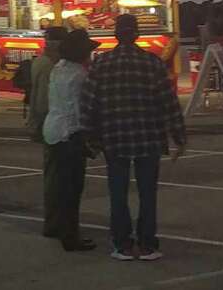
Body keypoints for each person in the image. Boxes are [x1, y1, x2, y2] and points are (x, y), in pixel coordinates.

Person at [81, 13, 185, 262]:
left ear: (116, 35)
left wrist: (89, 136)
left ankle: (122, 244)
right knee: (147, 193)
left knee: (118, 193)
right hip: (148, 136)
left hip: (114, 136)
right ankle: (147, 244)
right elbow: (168, 102)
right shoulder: (152, 63)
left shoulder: (101, 63)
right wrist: (178, 136)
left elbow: (88, 102)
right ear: (137, 35)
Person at [43, 29, 97, 252]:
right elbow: (79, 110)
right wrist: (88, 137)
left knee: (58, 185)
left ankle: (56, 225)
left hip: (53, 129)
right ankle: (70, 235)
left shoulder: (58, 69)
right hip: (69, 133)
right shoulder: (80, 75)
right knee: (72, 188)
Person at [24, 26, 67, 235]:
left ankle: (55, 220)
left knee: (54, 174)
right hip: (52, 124)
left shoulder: (42, 62)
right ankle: (55, 222)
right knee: (57, 176)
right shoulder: (49, 65)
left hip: (47, 122)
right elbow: (43, 100)